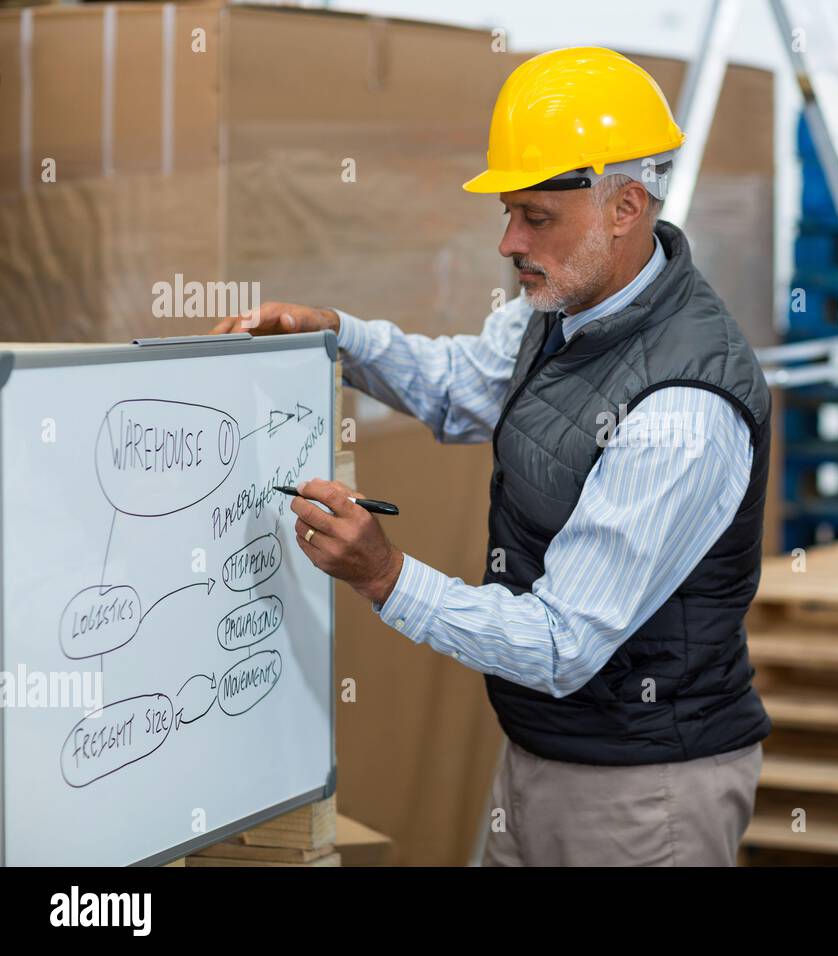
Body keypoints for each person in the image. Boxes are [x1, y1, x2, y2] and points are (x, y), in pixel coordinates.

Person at [209, 47, 772, 866]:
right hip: (549, 753)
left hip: (645, 794)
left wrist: (384, 576)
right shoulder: (564, 307)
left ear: (624, 205)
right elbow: (459, 385)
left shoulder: (682, 407)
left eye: (536, 216)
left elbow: (559, 645)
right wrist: (337, 333)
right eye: (508, 211)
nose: (508, 241)